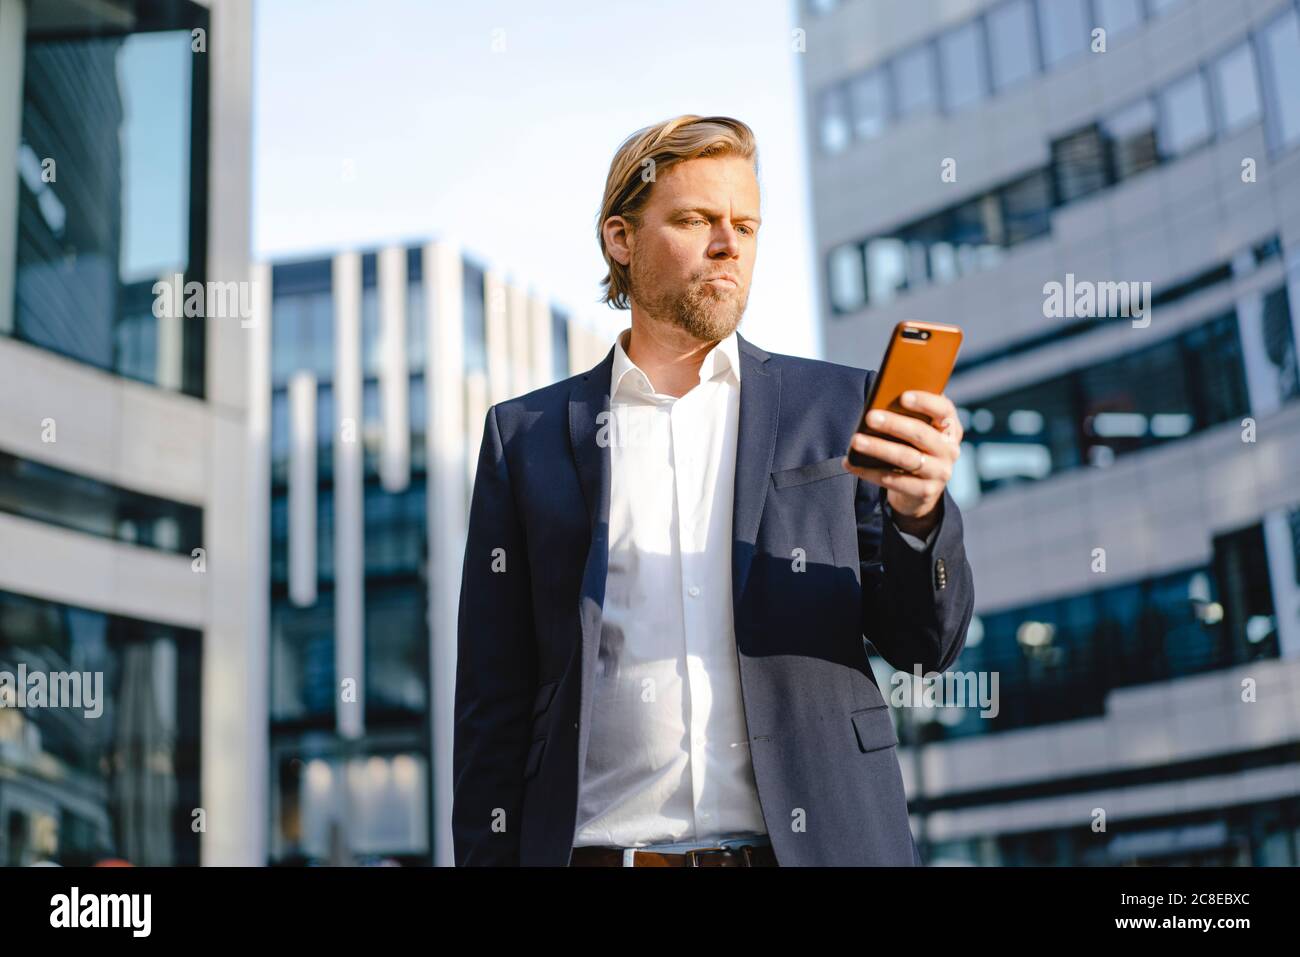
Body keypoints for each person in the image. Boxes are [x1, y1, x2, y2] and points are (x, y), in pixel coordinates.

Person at [453, 115, 974, 867]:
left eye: (746, 225)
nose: (729, 243)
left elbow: (927, 647)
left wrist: (919, 514)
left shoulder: (836, 409)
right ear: (620, 240)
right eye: (696, 220)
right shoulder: (524, 437)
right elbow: (491, 709)